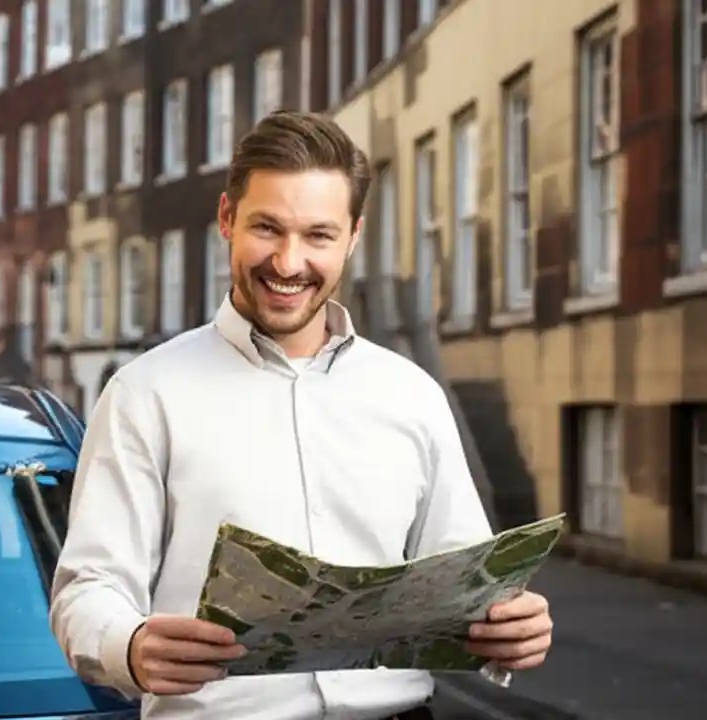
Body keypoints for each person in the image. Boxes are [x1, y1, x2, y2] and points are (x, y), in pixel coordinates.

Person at [47, 110, 553, 720]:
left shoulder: (411, 394)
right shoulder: (143, 394)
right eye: (268, 228)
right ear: (227, 219)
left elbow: (462, 585)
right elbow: (88, 589)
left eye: (318, 235)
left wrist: (508, 626)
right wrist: (127, 646)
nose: (288, 263)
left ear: (352, 237)